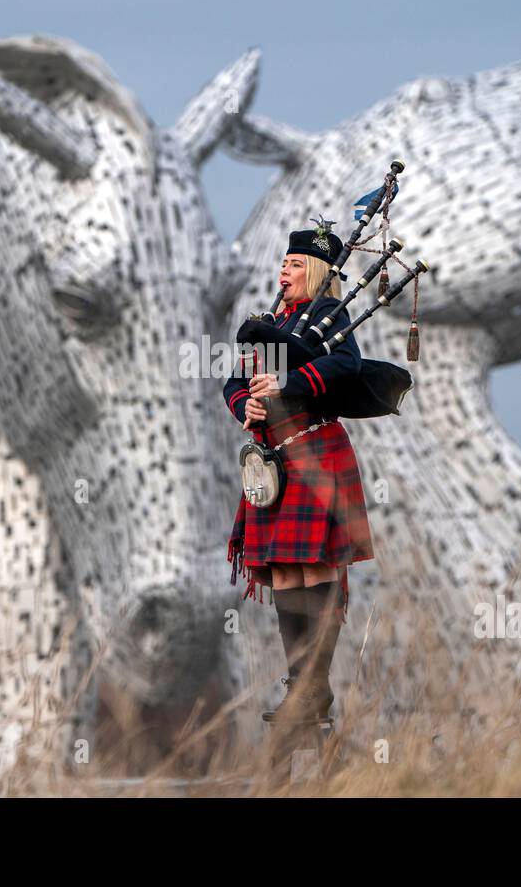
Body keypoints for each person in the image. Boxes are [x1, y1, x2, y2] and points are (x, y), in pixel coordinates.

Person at [223, 224, 375, 725]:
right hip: (274, 464)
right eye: (282, 264)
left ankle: (314, 686)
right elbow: (233, 380)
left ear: (312, 271)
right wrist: (249, 407)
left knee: (316, 568)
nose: (282, 272)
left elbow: (346, 366)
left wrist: (287, 384)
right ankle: (300, 685)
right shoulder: (273, 321)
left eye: (292, 265)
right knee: (285, 570)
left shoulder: (329, 315)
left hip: (317, 451)